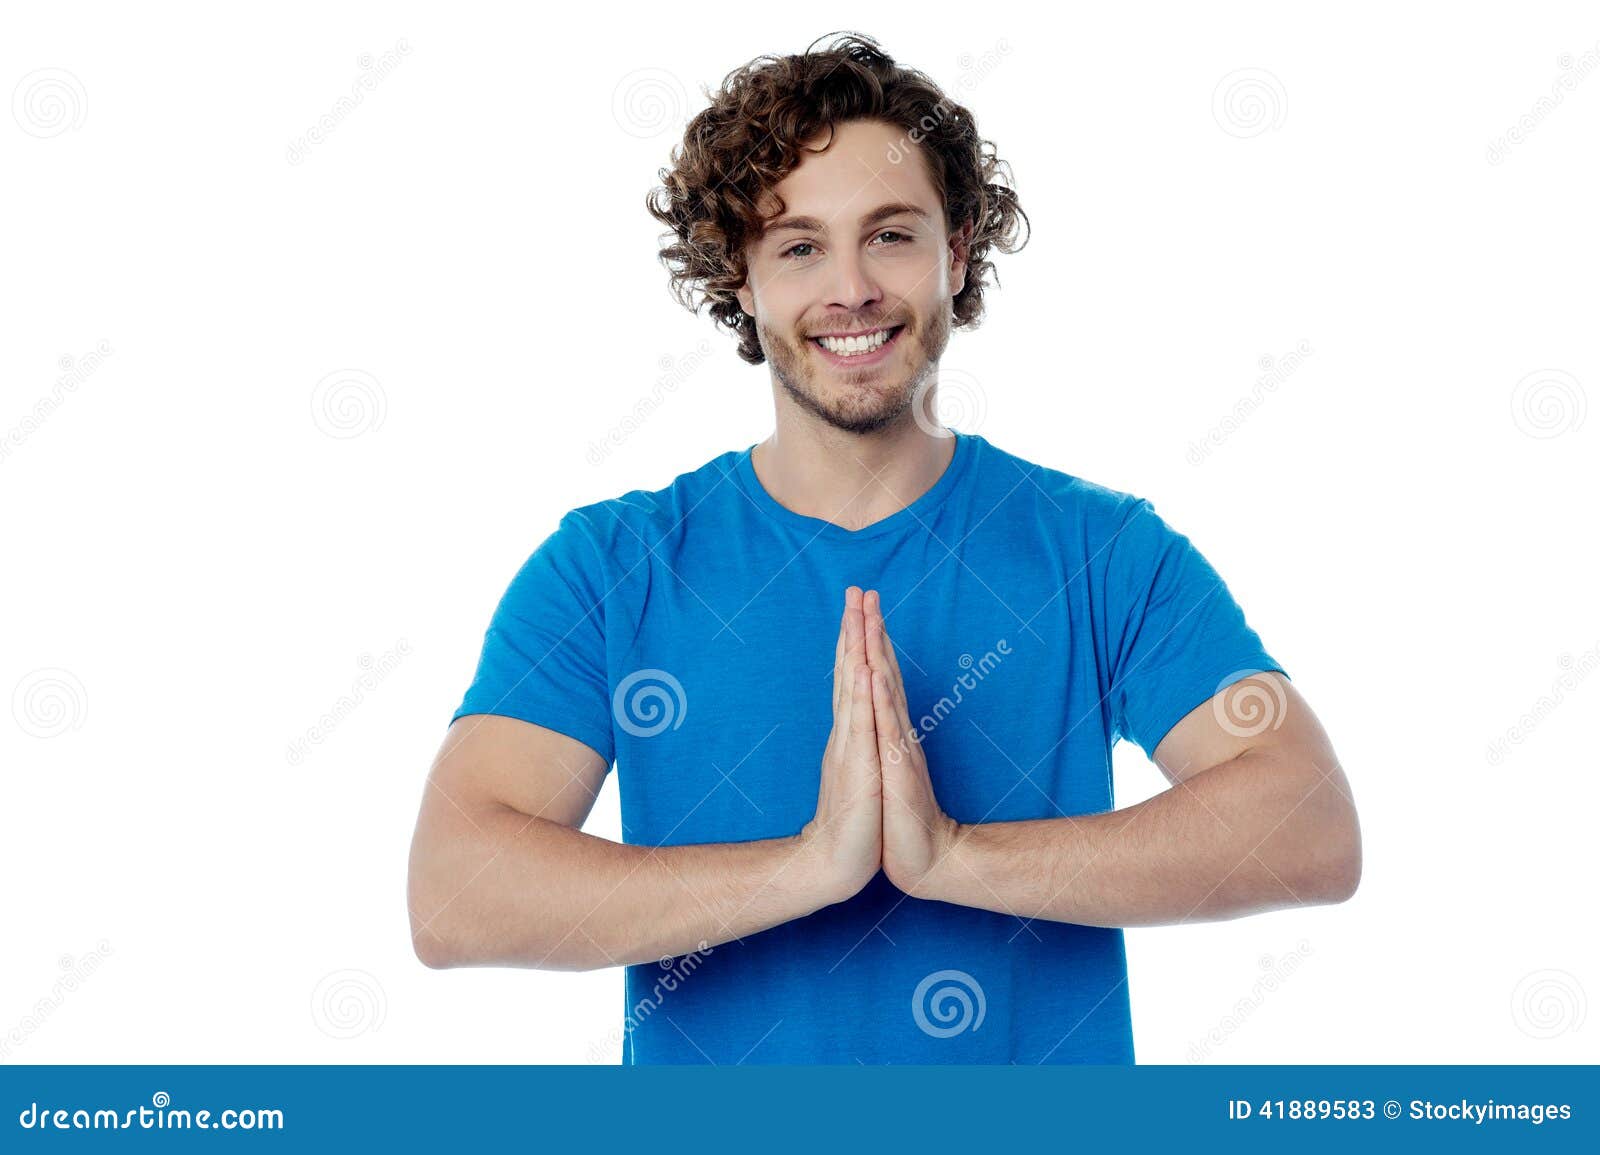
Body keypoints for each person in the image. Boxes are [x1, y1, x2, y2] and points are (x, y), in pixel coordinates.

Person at [406, 32, 1361, 1064]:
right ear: (742, 277)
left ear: (955, 254)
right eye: (800, 245)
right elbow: (455, 894)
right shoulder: (612, 565)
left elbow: (1309, 826)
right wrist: (810, 867)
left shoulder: (1103, 552)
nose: (851, 288)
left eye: (892, 235)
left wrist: (949, 857)